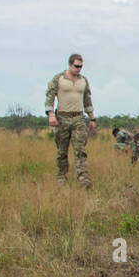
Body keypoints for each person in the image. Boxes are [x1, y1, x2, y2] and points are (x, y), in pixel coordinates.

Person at [45, 53, 96, 188]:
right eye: (77, 66)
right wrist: (51, 115)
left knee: (80, 149)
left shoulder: (83, 81)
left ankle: (83, 177)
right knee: (62, 150)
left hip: (79, 118)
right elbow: (50, 97)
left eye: (81, 66)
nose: (79, 69)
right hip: (62, 118)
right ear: (70, 64)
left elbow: (87, 100)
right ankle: (61, 176)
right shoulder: (58, 79)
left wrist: (92, 118)